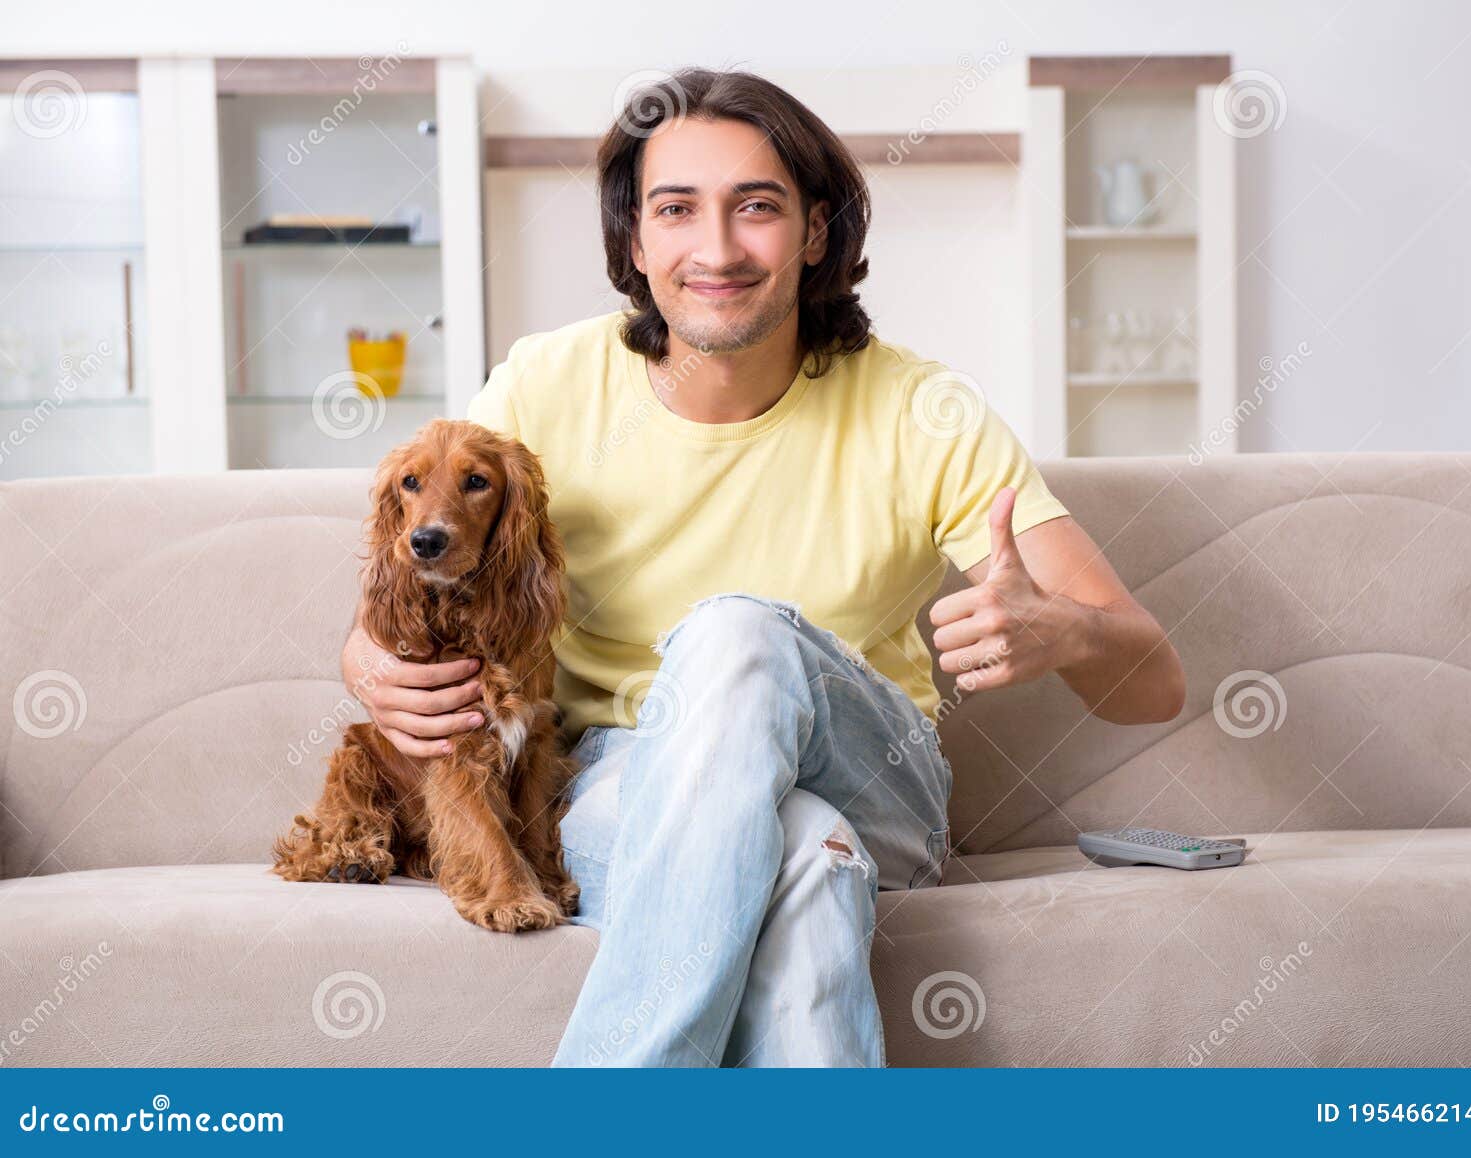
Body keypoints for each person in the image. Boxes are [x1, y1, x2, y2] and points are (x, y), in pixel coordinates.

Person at [340, 66, 1185, 1067]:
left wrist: (1064, 630)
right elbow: (418, 562)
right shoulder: (544, 383)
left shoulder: (922, 409)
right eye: (675, 210)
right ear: (635, 241)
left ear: (816, 232)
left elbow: (1154, 681)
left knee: (736, 634)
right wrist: (369, 664)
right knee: (805, 861)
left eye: (756, 208)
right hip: (623, 775)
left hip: (877, 774)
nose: (717, 248)